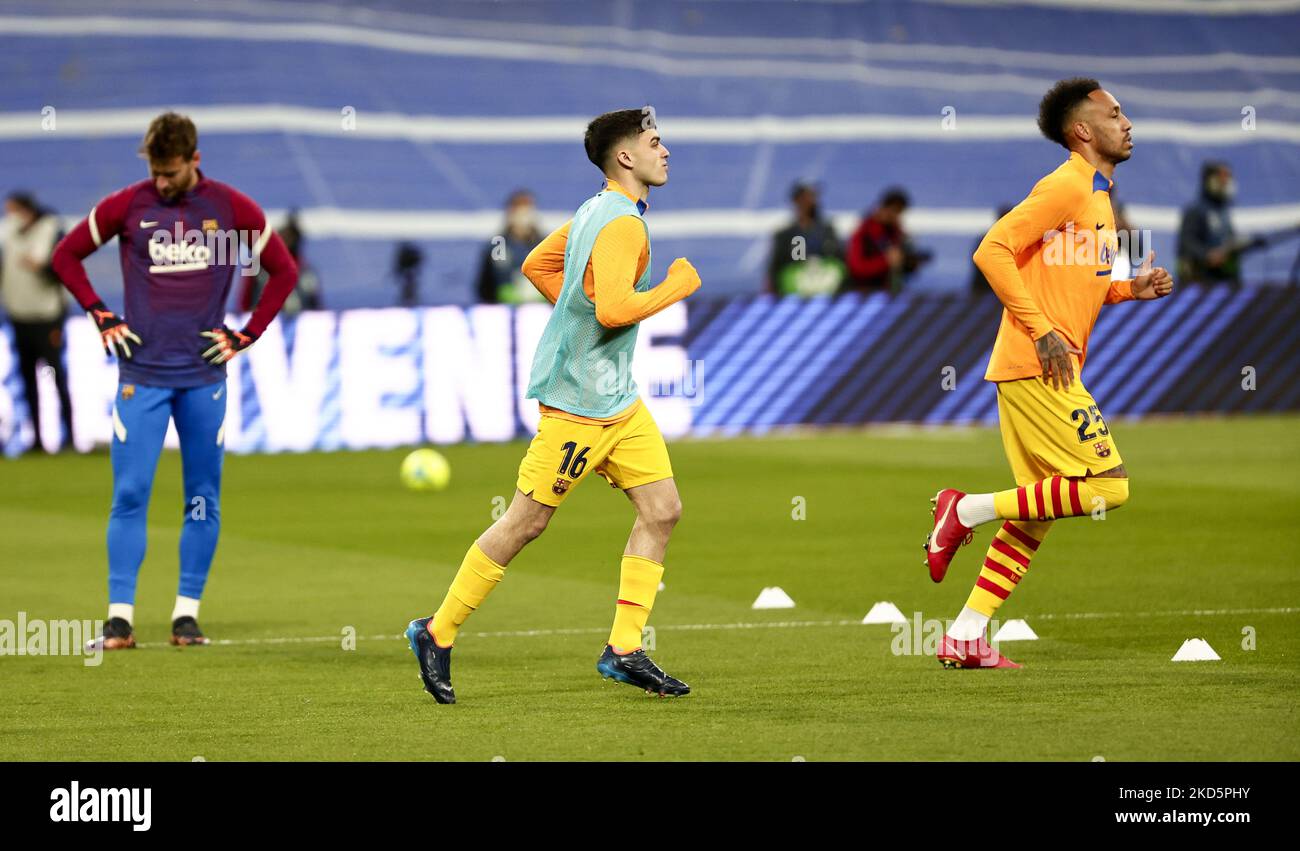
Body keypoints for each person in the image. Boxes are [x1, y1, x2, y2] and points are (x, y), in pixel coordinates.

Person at [406, 108, 701, 703]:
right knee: (525, 523)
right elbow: (616, 311)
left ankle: (624, 649)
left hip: (619, 401)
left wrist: (577, 314)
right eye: (654, 141)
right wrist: (675, 286)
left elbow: (538, 266)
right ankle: (436, 633)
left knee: (663, 509)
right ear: (626, 157)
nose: (665, 151)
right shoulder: (623, 226)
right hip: (578, 409)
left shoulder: (596, 210)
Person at [923, 78, 1174, 668]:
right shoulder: (1066, 184)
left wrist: (1125, 290)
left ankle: (965, 634)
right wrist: (1041, 331)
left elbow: (1068, 281)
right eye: (1115, 113)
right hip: (1039, 363)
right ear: (1083, 130)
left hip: (1037, 363)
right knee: (1107, 487)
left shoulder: (1098, 198)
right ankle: (963, 511)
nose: (1127, 122)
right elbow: (992, 250)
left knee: (1038, 513)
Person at [50, 112, 298, 650]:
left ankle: (186, 617)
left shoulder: (232, 209)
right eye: (155, 172)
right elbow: (64, 255)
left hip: (203, 377)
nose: (161, 182)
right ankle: (119, 619)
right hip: (142, 375)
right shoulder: (128, 205)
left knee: (202, 498)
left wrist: (247, 335)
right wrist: (99, 313)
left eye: (171, 171)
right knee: (131, 493)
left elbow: (285, 272)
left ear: (194, 161)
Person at [1, 191, 73, 451]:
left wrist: (41, 268)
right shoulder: (8, 232)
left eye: (14, 210)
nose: (11, 216)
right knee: (28, 379)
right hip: (20, 318)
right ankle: (37, 440)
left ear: (27, 210)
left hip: (48, 319)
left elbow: (64, 267)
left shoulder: (51, 229)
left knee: (54, 376)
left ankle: (70, 438)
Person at [1177, 161, 1251, 287]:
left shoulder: (1224, 211)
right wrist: (1207, 255)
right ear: (1209, 180)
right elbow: (1186, 242)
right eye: (1222, 177)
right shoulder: (1196, 210)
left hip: (1226, 280)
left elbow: (1228, 239)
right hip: (1201, 282)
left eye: (1228, 177)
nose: (1226, 182)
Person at [843, 187, 930, 293]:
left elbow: (899, 266)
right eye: (895, 211)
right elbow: (857, 268)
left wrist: (909, 263)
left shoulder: (896, 233)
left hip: (887, 293)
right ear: (883, 208)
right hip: (863, 293)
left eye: (900, 213)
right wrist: (886, 261)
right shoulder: (863, 232)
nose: (896, 217)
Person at [238, 210, 321, 315]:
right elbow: (245, 300)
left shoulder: (305, 273)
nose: (287, 241)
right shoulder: (259, 267)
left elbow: (315, 306)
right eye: (284, 236)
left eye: (291, 237)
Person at [767, 181, 843, 296]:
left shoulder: (827, 231)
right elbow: (776, 269)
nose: (811, 201)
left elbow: (839, 260)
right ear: (796, 200)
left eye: (813, 196)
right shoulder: (786, 235)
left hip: (825, 292)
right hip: (795, 295)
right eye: (807, 196)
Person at [476, 190, 545, 303]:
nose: (523, 217)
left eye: (527, 211)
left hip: (540, 311)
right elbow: (485, 287)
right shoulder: (497, 246)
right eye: (519, 212)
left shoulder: (545, 245)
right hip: (504, 310)